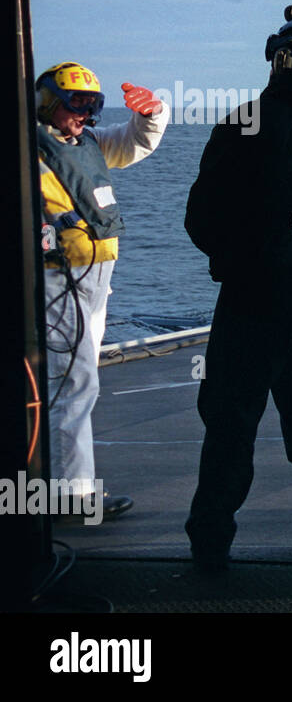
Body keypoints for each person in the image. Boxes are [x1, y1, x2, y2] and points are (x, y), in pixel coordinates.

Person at [184, 6, 292, 571]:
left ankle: (212, 537)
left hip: (255, 287)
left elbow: (203, 212)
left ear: (285, 59)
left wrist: (233, 256)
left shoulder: (249, 119)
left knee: (232, 415)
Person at [36, 61, 168, 521]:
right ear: (48, 102)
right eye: (77, 103)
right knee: (73, 381)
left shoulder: (87, 142)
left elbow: (132, 144)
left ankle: (55, 483)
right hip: (58, 279)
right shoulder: (28, 149)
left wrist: (150, 115)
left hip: (95, 277)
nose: (84, 114)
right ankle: (68, 493)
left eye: (92, 104)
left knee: (76, 379)